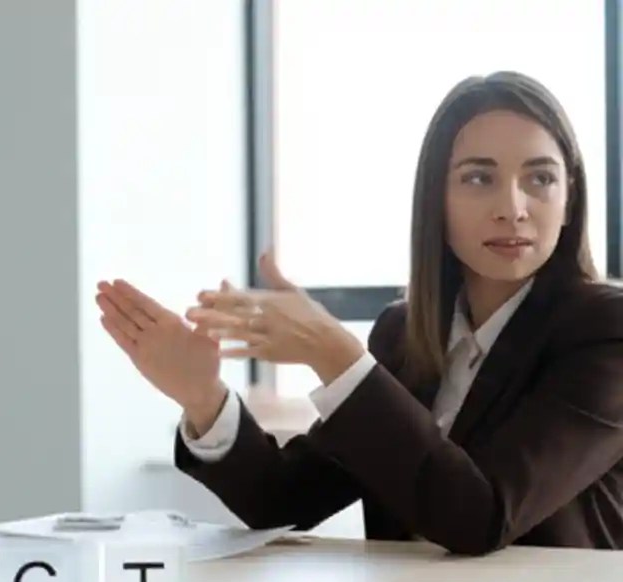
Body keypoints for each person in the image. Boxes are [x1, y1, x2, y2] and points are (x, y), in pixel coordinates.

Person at [97, 71, 623, 554]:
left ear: (570, 196)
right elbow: (282, 500)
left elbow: (480, 516)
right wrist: (203, 397)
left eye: (541, 178)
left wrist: (335, 354)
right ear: (434, 199)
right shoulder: (403, 334)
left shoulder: (605, 332)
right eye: (479, 179)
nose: (514, 206)